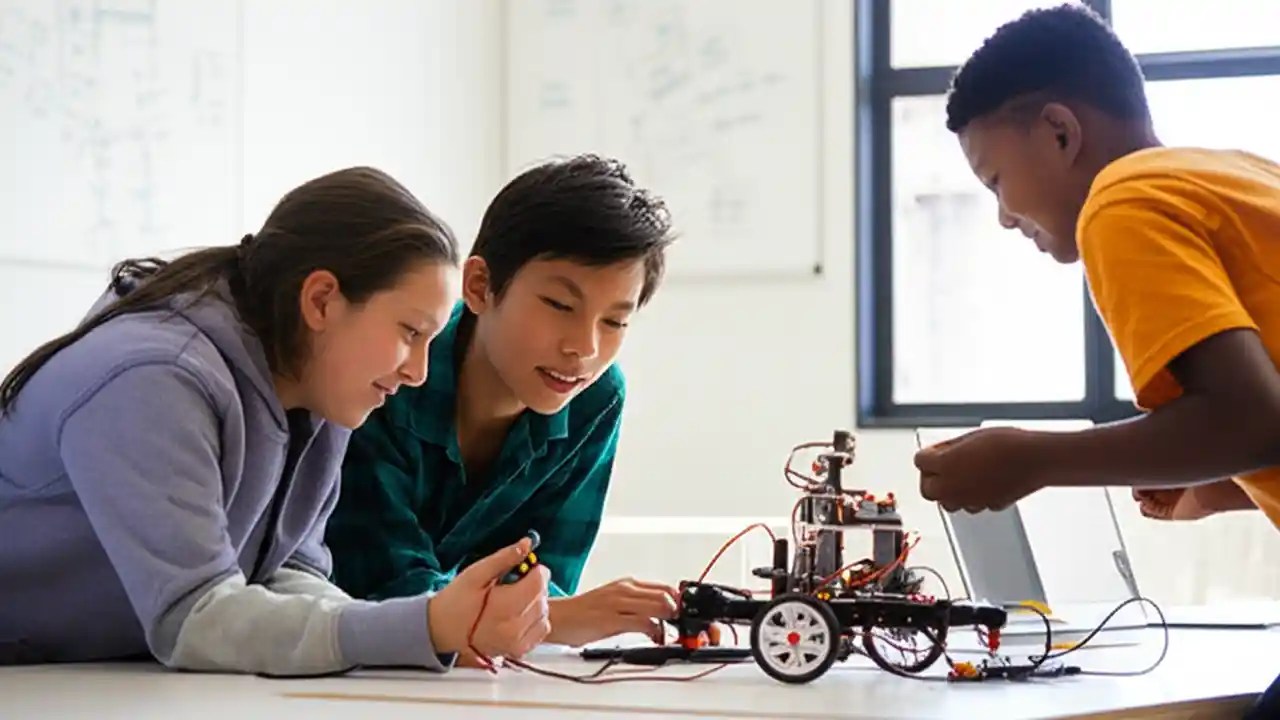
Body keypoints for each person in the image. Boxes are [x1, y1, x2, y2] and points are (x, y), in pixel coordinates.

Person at [0, 166, 551, 675]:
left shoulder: (323, 385)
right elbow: (195, 618)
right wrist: (422, 625)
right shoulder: (153, 378)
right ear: (321, 301)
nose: (419, 373)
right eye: (410, 333)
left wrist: (427, 632)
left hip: (79, 679)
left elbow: (289, 574)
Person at [909, 5, 1280, 716]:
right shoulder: (1233, 174)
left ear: (1059, 131)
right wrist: (1219, 488)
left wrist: (1032, 460)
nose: (1003, 215)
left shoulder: (1123, 198)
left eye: (994, 181)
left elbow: (1252, 417)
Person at [326, 154, 683, 656]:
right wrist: (556, 618)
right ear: (479, 286)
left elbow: (544, 576)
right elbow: (378, 582)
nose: (584, 347)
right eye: (560, 306)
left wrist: (562, 614)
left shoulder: (594, 399)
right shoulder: (390, 373)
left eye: (615, 322)